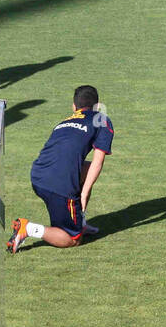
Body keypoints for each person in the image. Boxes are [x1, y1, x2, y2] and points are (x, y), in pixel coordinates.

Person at [10, 87, 114, 251]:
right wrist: (84, 193)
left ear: (74, 107)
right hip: (59, 184)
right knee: (72, 239)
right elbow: (98, 161)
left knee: (85, 169)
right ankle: (28, 228)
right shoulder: (101, 119)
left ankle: (81, 222)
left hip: (38, 175)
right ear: (98, 106)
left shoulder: (64, 122)